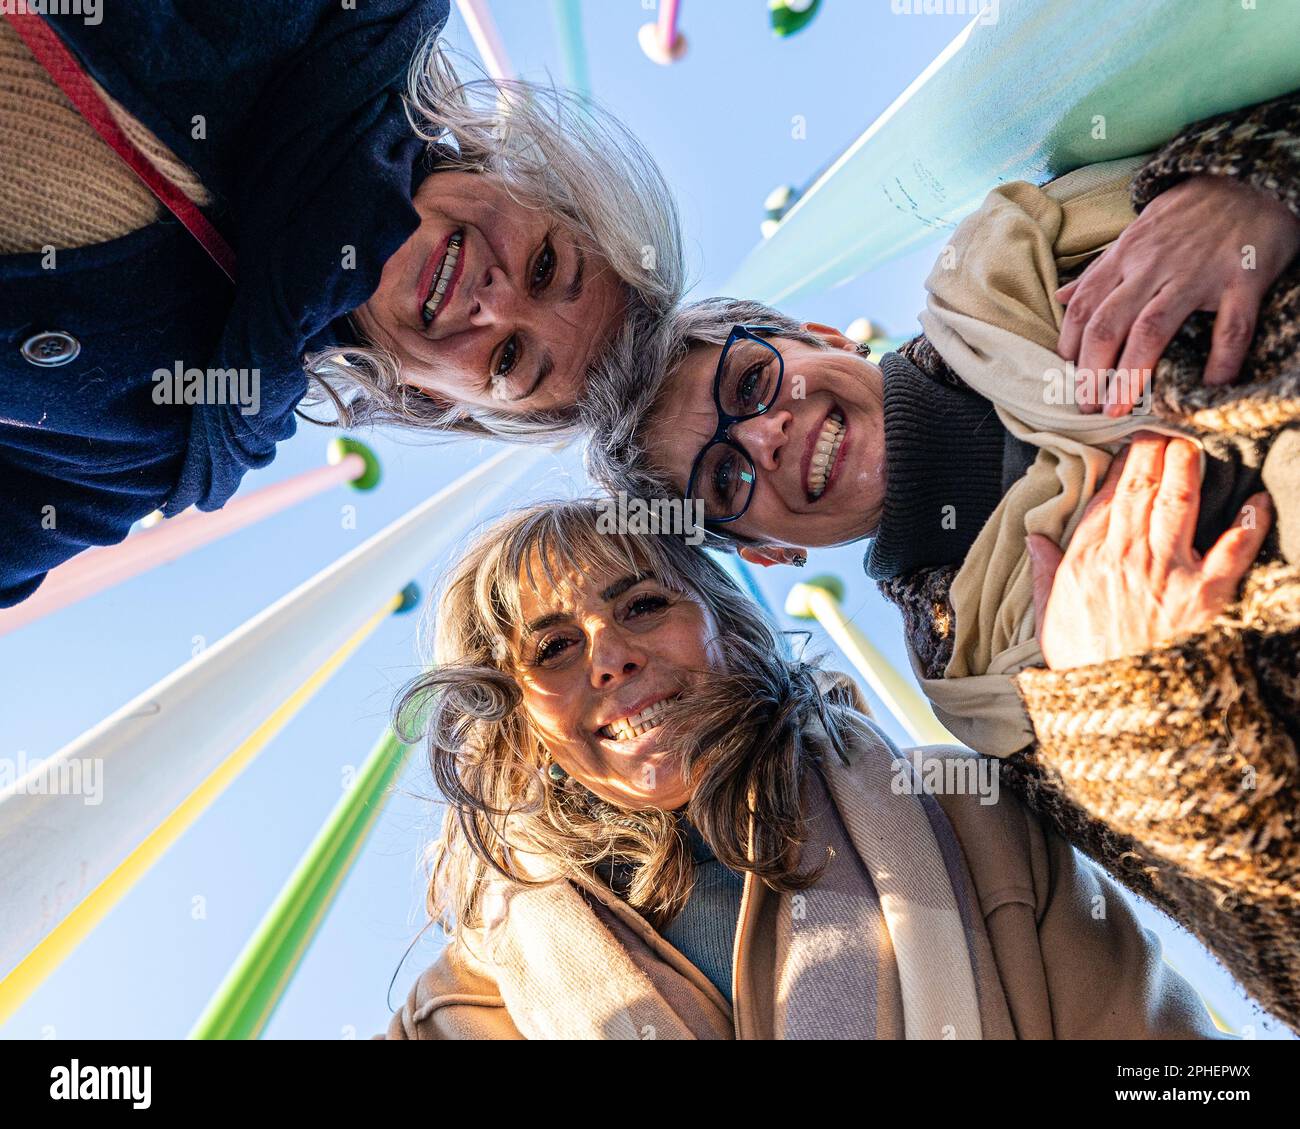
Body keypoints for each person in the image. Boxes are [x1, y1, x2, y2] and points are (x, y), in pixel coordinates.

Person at [583, 93, 1300, 1029]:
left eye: (752, 380)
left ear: (825, 338)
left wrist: (1263, 184)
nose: (765, 435)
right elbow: (1277, 945)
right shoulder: (1007, 706)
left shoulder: (1044, 252)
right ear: (769, 546)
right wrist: (1149, 704)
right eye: (724, 479)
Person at [377, 500, 1218, 1039]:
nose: (612, 656)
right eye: (553, 647)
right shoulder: (478, 991)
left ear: (730, 626)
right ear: (519, 724)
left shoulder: (968, 816)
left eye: (642, 604)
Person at [0, 1, 682, 606]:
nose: (494, 305)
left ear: (437, 399)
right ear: (523, 175)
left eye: (509, 357)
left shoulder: (154, 440)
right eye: (544, 264)